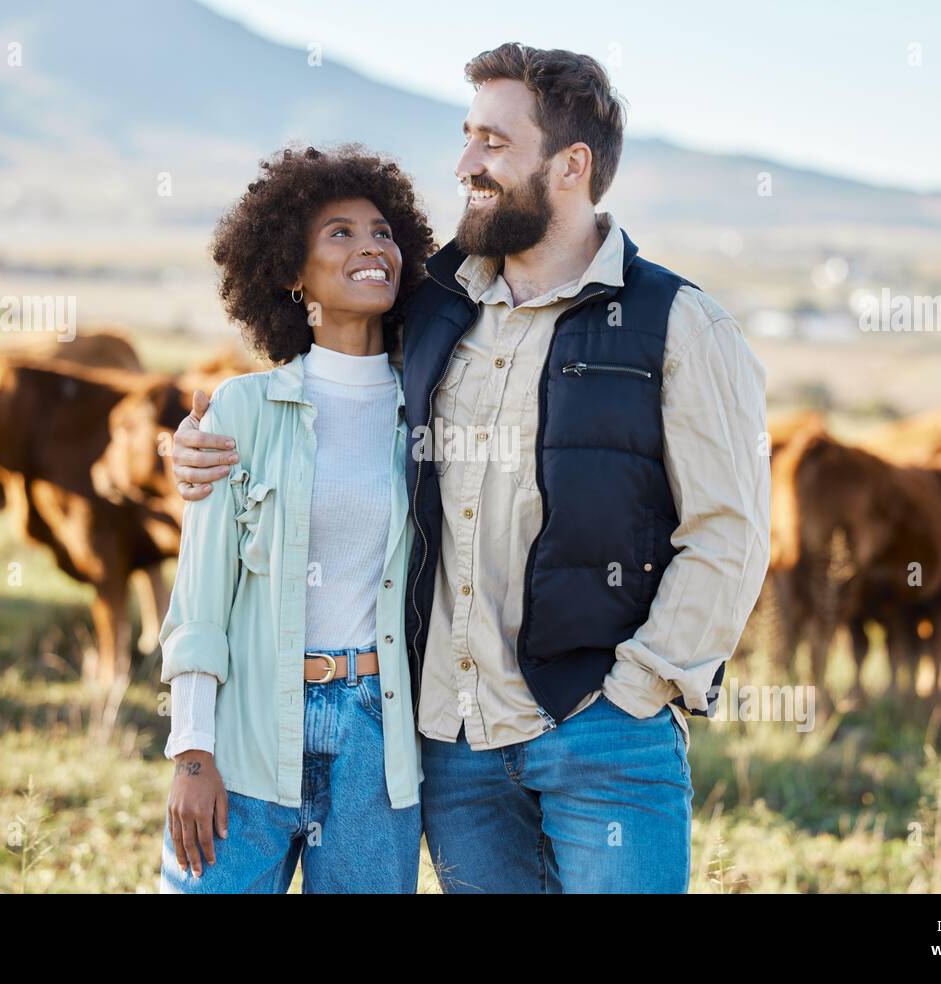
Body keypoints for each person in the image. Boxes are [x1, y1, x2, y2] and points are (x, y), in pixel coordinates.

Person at [173, 44, 770, 894]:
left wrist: (634, 692)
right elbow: (314, 399)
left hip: (603, 740)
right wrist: (194, 452)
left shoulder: (682, 325)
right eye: (465, 138)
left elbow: (729, 534)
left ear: (571, 165)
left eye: (492, 143)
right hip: (454, 754)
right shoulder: (434, 306)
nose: (464, 165)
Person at [158, 144, 435, 893]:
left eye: (382, 231)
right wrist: (192, 752)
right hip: (247, 733)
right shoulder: (242, 410)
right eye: (339, 233)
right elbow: (200, 601)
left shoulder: (429, 412)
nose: (371, 246)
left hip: (377, 744)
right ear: (290, 271)